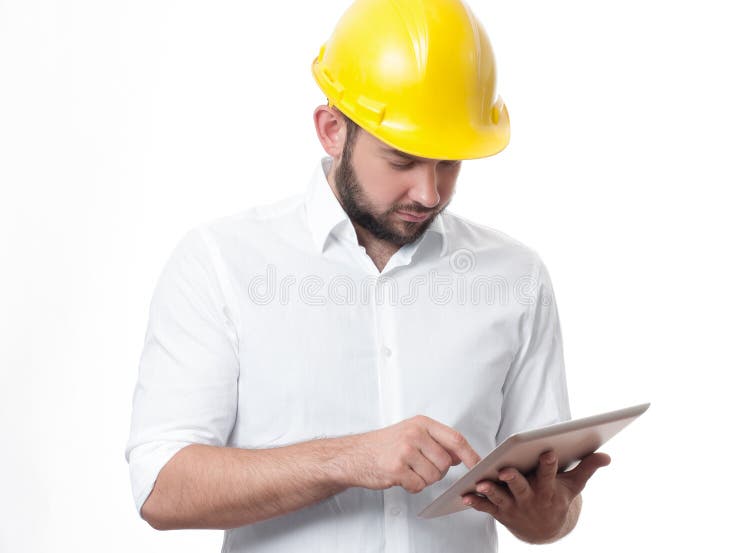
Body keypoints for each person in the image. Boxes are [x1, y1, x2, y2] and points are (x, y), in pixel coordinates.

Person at [124, 0, 611, 551]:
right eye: (402, 160)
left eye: (449, 160)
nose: (430, 193)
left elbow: (549, 515)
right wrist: (350, 458)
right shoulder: (220, 263)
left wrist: (547, 517)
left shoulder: (516, 276)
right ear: (332, 130)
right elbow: (161, 489)